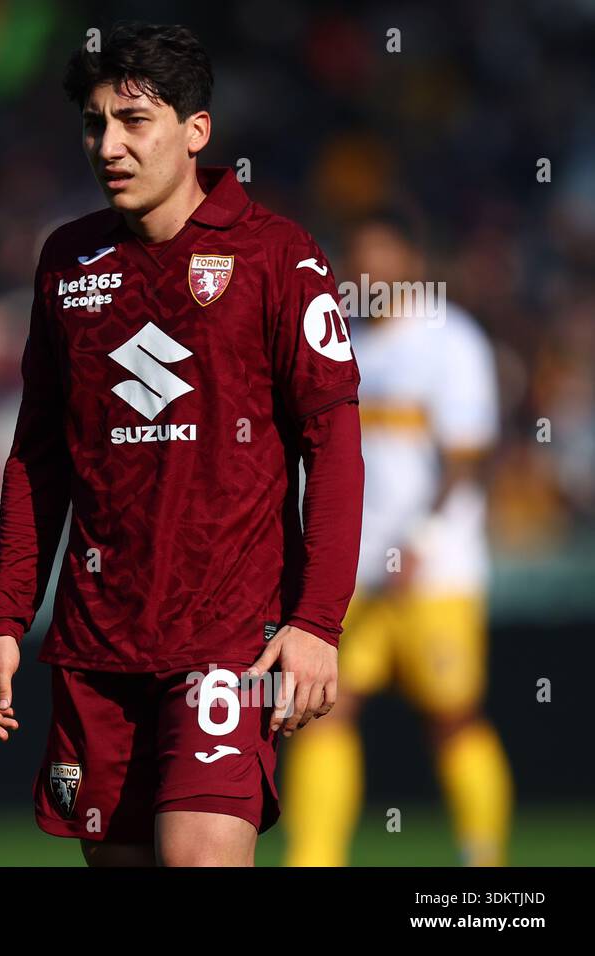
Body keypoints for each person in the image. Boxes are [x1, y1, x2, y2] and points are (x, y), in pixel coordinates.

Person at [0, 21, 364, 866]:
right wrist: (8, 621)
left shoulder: (277, 258)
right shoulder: (68, 264)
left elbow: (334, 446)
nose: (108, 144)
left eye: (133, 121)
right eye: (94, 123)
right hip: (97, 642)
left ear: (196, 130)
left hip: (228, 634)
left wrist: (318, 623)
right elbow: (39, 458)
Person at [281, 207, 512, 866]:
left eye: (383, 255)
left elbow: (468, 457)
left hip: (434, 570)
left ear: (412, 261)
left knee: (453, 713)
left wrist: (424, 536)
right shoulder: (338, 339)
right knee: (325, 709)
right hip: (349, 570)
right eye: (358, 256)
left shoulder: (450, 341)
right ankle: (314, 859)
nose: (369, 270)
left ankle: (483, 860)